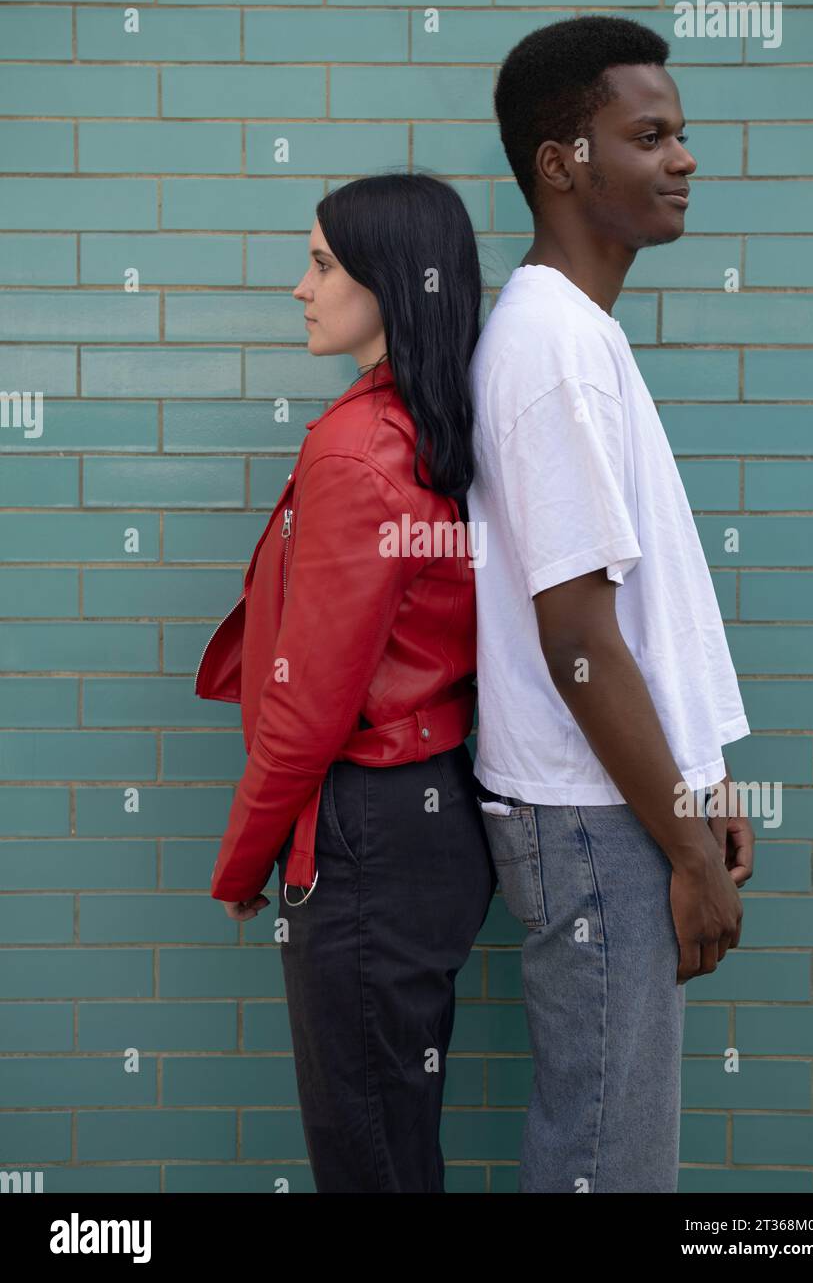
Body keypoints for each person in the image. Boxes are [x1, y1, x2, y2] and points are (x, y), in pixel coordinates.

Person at [467, 14, 756, 1193]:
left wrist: (701, 774)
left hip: (619, 805)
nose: (682, 157)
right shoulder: (549, 346)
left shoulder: (578, 333)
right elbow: (575, 633)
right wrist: (680, 844)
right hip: (595, 820)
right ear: (560, 161)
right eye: (647, 134)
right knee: (608, 1160)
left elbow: (637, 608)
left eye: (680, 133)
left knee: (615, 1145)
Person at [196, 172, 496, 1193]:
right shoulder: (430, 426)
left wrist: (241, 863)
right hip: (431, 826)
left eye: (321, 264)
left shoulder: (357, 452)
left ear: (388, 283)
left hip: (365, 838)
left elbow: (309, 708)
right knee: (396, 1146)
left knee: (367, 1162)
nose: (300, 288)